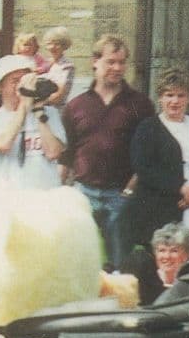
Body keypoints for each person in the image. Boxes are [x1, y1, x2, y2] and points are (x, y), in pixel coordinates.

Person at [61, 34, 155, 267]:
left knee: (120, 262)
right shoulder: (76, 105)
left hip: (120, 196)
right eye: (111, 62)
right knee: (80, 261)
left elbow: (147, 154)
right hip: (84, 194)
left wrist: (130, 190)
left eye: (122, 62)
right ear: (95, 61)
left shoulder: (140, 104)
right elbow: (67, 153)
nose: (117, 68)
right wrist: (62, 191)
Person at [128, 66, 189, 257]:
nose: (175, 101)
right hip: (161, 210)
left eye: (181, 95)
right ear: (160, 98)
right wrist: (182, 189)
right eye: (169, 95)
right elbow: (144, 167)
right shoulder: (148, 129)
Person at [0, 54, 67, 196]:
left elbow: (53, 152)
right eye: (15, 81)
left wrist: (38, 112)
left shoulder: (49, 114)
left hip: (45, 200)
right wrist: (23, 107)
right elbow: (3, 145)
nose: (21, 85)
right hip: (8, 200)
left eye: (25, 80)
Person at [41, 26, 74, 107]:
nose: (52, 47)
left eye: (57, 44)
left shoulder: (67, 66)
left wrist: (37, 103)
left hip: (55, 111)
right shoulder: (47, 63)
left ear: (64, 45)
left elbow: (59, 95)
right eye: (49, 43)